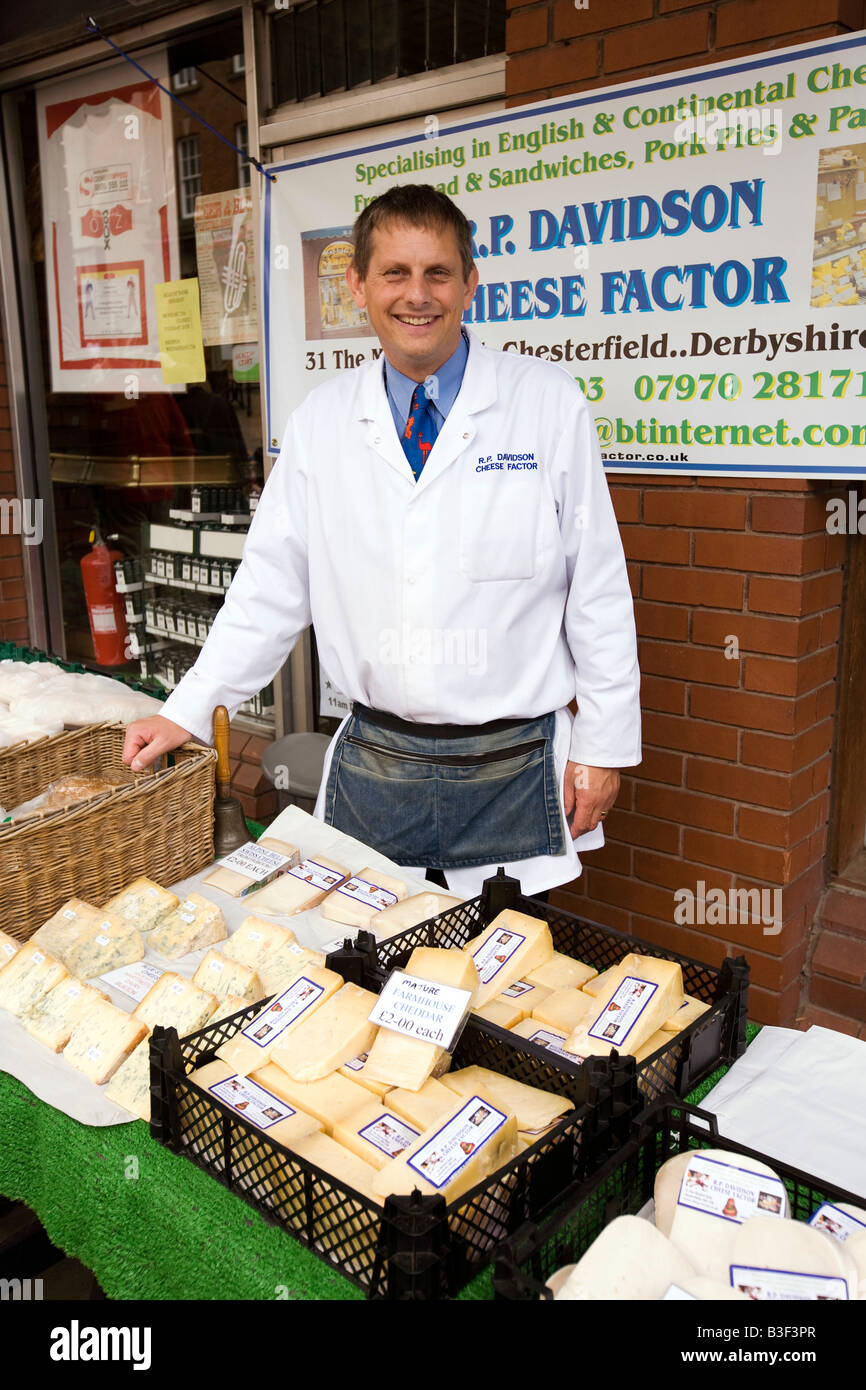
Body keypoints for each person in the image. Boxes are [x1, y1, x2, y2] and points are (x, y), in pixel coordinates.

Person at [123, 184, 640, 898]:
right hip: (377, 763)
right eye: (395, 273)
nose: (416, 295)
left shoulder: (546, 404)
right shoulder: (322, 424)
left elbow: (598, 589)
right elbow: (269, 590)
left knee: (500, 974)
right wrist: (186, 710)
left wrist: (604, 749)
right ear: (359, 286)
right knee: (375, 970)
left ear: (470, 285)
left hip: (514, 766)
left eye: (437, 273)